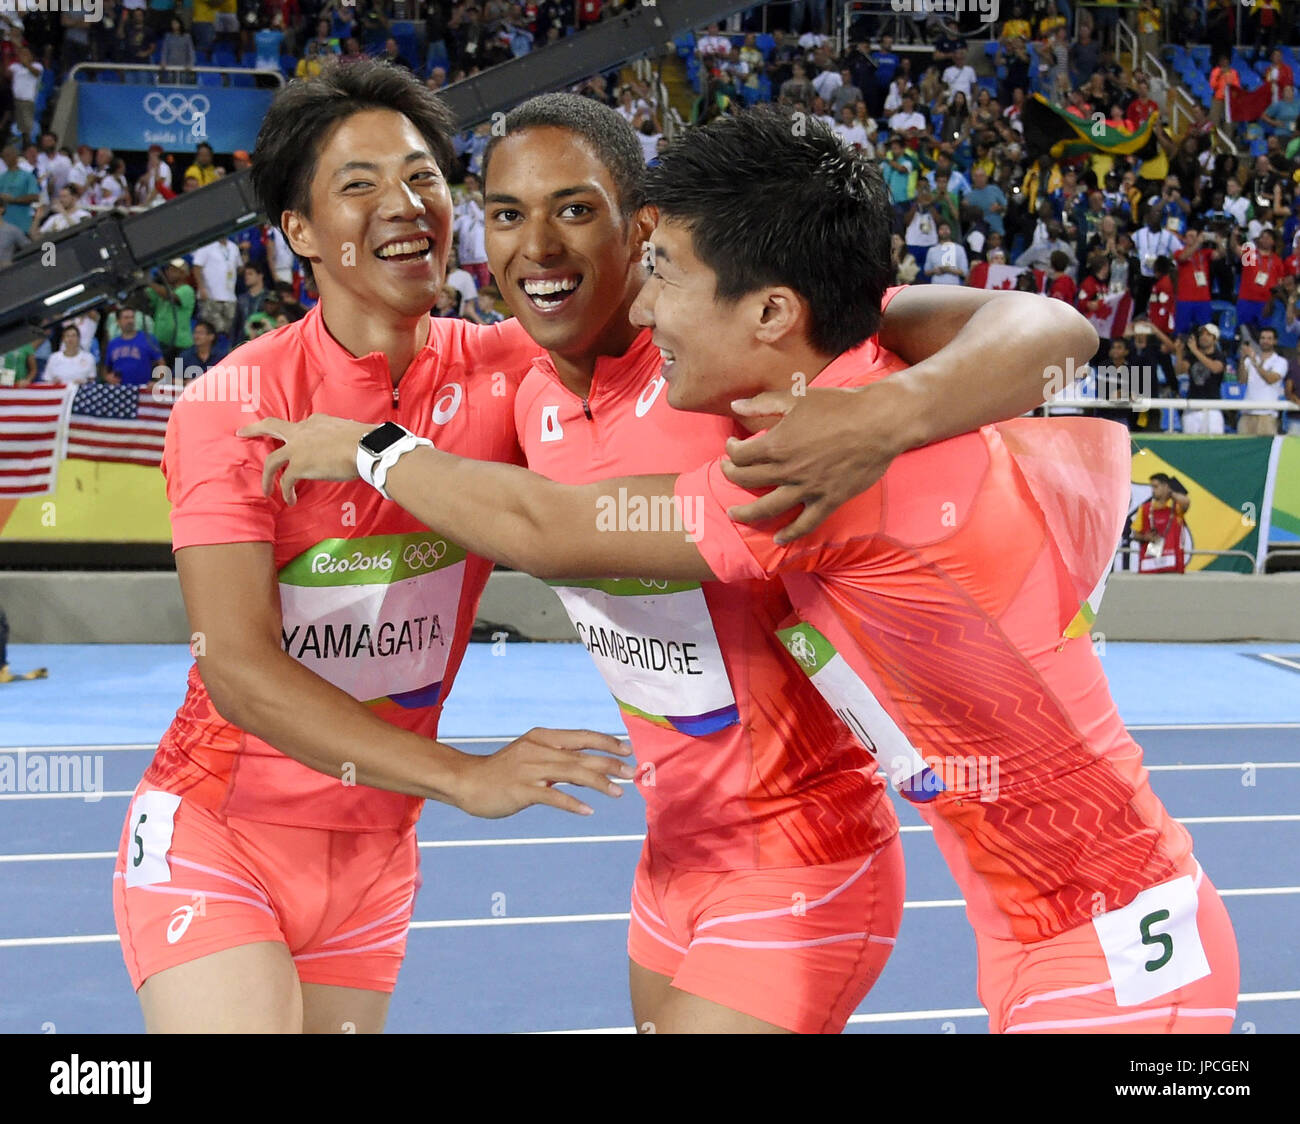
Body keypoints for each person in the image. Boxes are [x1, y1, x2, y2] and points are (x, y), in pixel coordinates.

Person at [246, 107, 1238, 1036]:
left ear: (767, 310)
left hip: (1110, 950)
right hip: (1048, 930)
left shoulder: (806, 470)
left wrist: (373, 449)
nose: (641, 296)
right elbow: (1042, 332)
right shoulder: (835, 390)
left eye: (660, 269)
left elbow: (545, 526)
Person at [111, 59, 632, 1037]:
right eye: (359, 184)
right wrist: (463, 774)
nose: (404, 204)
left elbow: (694, 316)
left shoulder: (505, 368)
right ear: (299, 231)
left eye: (423, 176)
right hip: (219, 834)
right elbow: (239, 672)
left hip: (374, 854)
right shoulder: (233, 404)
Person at [1132, 473, 1191, 574]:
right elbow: (1135, 534)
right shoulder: (1145, 508)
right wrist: (1145, 537)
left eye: (1156, 486)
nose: (1153, 490)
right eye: (1152, 487)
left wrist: (1170, 493)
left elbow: (1186, 502)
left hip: (1172, 567)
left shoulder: (1176, 507)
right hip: (1150, 566)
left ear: (1166, 486)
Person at [1178, 322, 1227, 434]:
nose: (1204, 337)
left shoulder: (1219, 356)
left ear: (1215, 339)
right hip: (1192, 407)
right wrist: (1179, 352)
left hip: (1212, 408)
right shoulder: (1191, 356)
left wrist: (1195, 351)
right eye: (1202, 334)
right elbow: (1180, 371)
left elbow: (1215, 368)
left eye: (1208, 335)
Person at [1238, 326, 1288, 435]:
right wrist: (1242, 359)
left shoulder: (1280, 361)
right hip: (1247, 412)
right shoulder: (1251, 359)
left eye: (1269, 338)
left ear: (1275, 341)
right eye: (1263, 338)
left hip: (1267, 414)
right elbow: (1242, 380)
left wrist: (1255, 363)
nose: (1265, 341)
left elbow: (1270, 379)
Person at [104, 307, 164, 385]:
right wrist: (107, 377)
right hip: (119, 390)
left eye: (132, 317)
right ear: (118, 321)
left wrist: (157, 383)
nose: (130, 321)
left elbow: (161, 363)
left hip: (143, 390)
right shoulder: (113, 343)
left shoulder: (148, 339)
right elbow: (106, 368)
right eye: (126, 318)